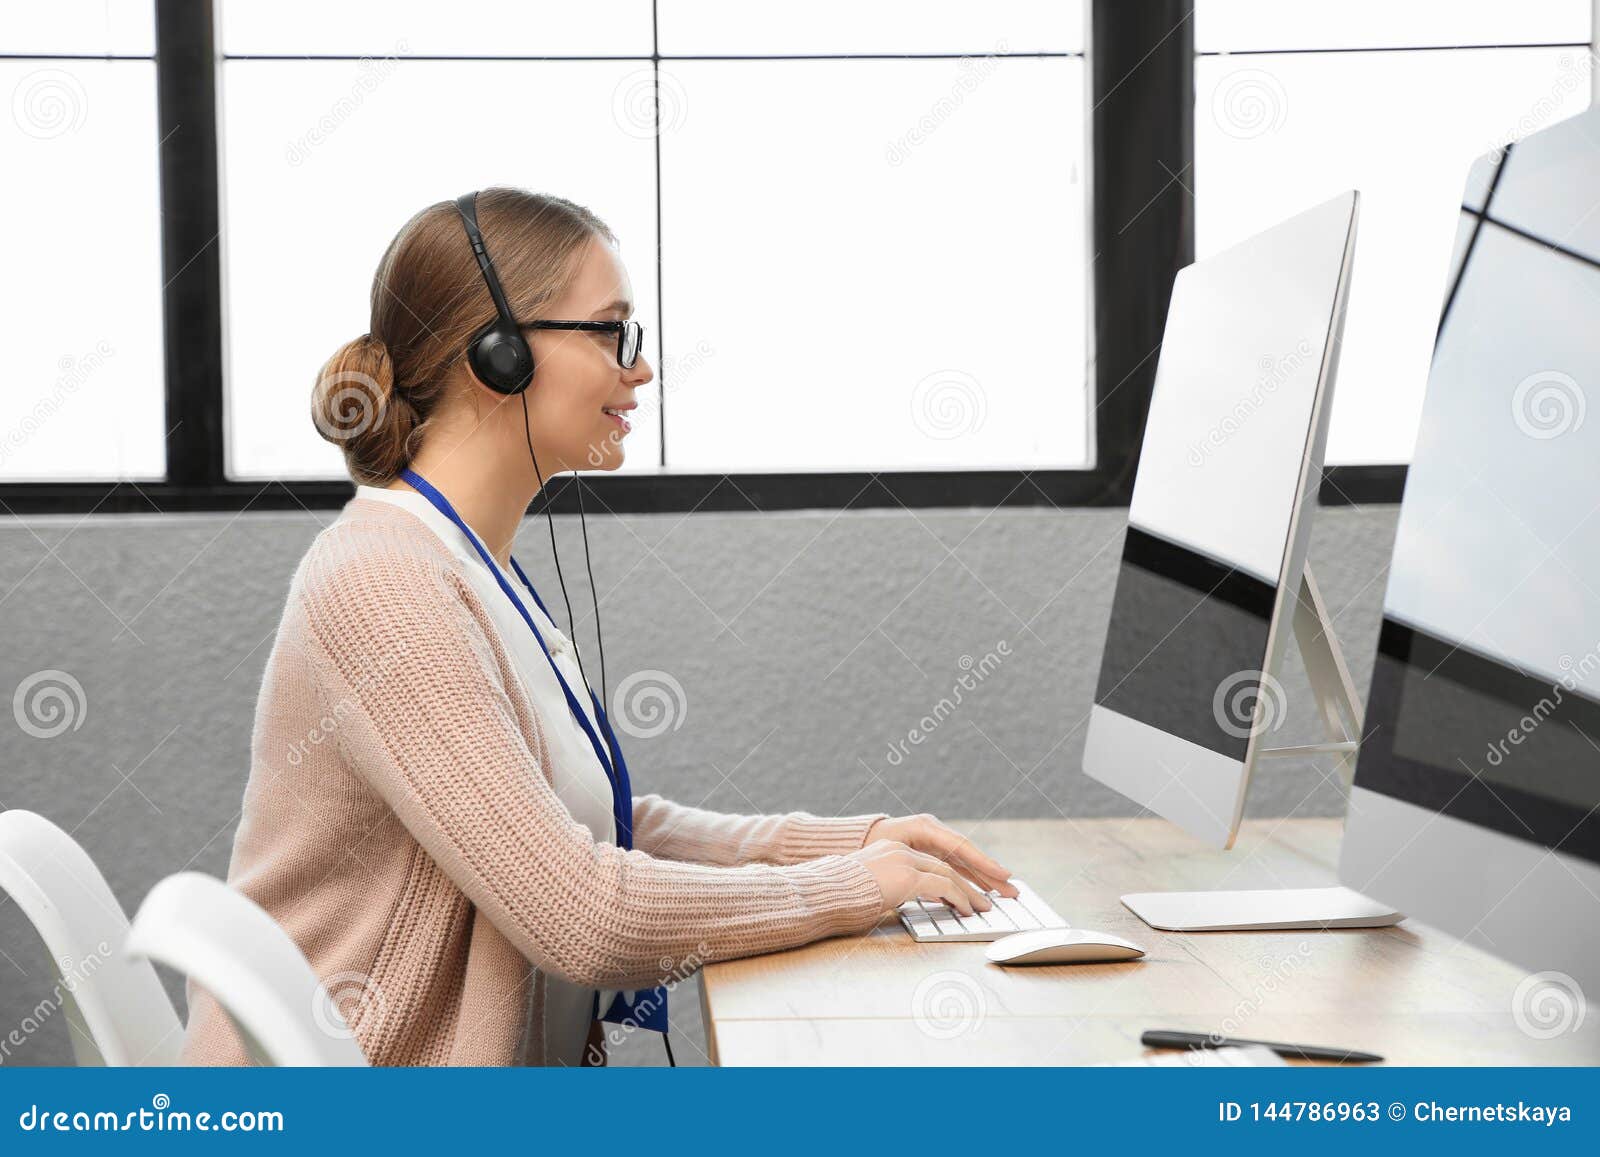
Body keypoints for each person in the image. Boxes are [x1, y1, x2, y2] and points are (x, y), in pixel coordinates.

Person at [179, 187, 1015, 1068]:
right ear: (495, 354)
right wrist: (846, 888)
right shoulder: (383, 582)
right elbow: (579, 915)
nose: (640, 367)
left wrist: (837, 844)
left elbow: (583, 823)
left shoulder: (473, 565)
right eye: (612, 330)